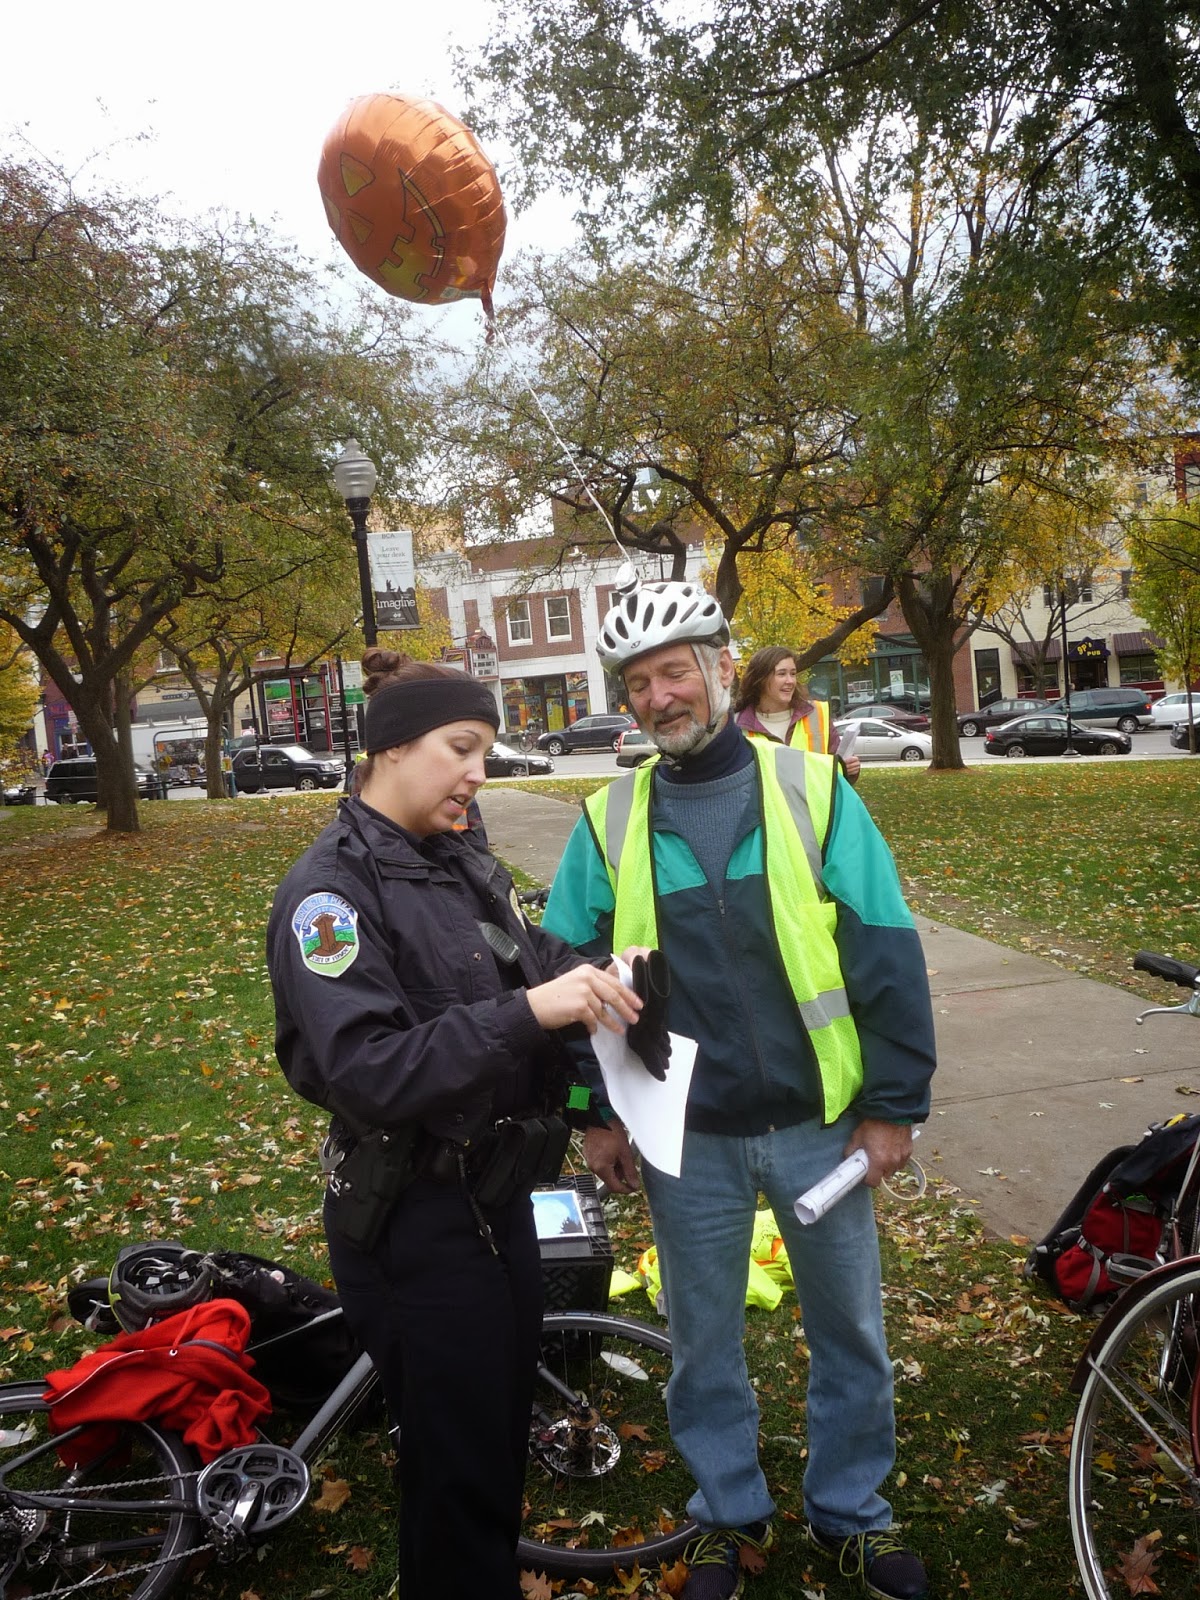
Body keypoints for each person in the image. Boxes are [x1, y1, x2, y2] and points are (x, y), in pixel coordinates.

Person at [543, 576, 937, 1600]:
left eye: (676, 671)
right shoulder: (605, 819)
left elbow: (886, 950)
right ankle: (726, 1512)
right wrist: (594, 1117)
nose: (660, 696)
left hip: (820, 1125)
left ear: (722, 669)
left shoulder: (813, 789)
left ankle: (851, 1510)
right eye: (638, 683)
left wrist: (893, 1104)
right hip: (691, 1139)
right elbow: (572, 979)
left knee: (850, 1329)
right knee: (702, 1343)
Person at [266, 647, 644, 1600]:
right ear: (391, 748)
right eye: (462, 747)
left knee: (488, 1442)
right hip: (414, 1228)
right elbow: (368, 1071)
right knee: (458, 1469)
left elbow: (540, 965)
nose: (480, 772)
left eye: (484, 750)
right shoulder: (331, 897)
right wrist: (534, 1011)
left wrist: (607, 1017)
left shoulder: (460, 864)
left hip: (498, 1206)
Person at [734, 645, 861, 782]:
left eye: (793, 674)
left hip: (816, 804)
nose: (790, 681)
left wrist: (848, 770)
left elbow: (836, 773)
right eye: (781, 674)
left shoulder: (817, 714)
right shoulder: (737, 725)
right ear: (760, 679)